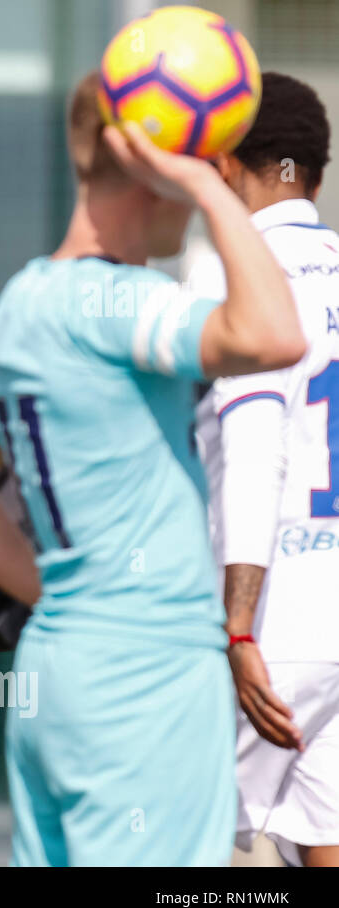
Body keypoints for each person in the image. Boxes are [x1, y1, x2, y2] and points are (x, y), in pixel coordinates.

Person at [0, 72, 305, 866]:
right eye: (195, 171)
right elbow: (273, 334)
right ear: (153, 172)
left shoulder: (20, 303)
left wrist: (63, 593)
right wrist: (206, 179)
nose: (200, 196)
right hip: (146, 682)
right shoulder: (121, 306)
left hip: (56, 668)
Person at [190, 72, 339, 867]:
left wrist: (238, 626)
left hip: (272, 619)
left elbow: (254, 450)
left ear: (226, 164)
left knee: (182, 856)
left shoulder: (231, 274)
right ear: (313, 170)